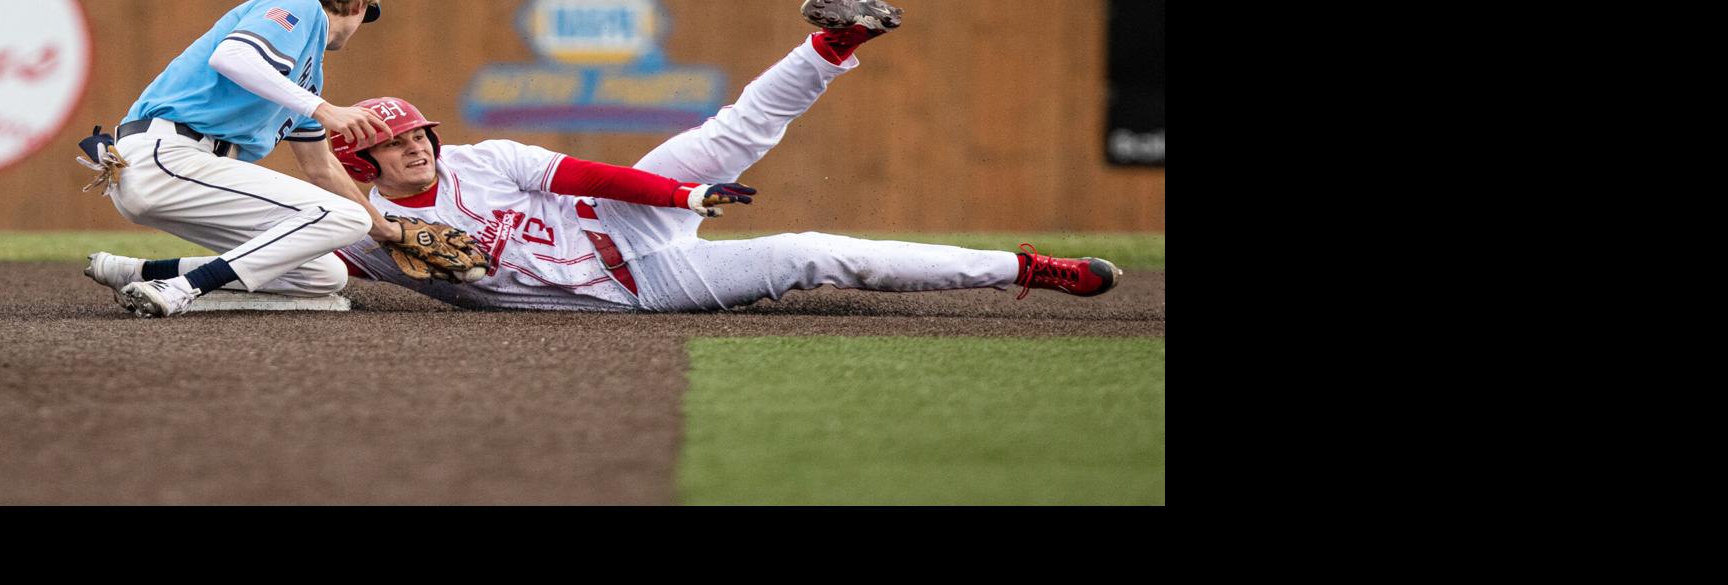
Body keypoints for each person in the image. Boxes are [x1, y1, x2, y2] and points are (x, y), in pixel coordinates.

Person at [326, 0, 1121, 312]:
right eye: (392, 145)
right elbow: (296, 248)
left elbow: (586, 178)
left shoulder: (480, 156)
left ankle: (831, 42)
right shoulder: (366, 226)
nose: (412, 148)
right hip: (646, 284)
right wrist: (202, 278)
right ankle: (1024, 270)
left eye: (415, 133)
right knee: (817, 252)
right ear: (363, 166)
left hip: (622, 213)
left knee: (730, 135)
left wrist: (680, 198)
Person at [80, 0, 408, 317]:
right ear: (358, 6)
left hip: (178, 171)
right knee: (346, 216)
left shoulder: (306, 82)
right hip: (166, 157)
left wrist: (385, 230)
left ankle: (140, 272)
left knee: (321, 273)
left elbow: (321, 168)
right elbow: (232, 56)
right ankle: (180, 288)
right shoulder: (300, 5)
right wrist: (322, 110)